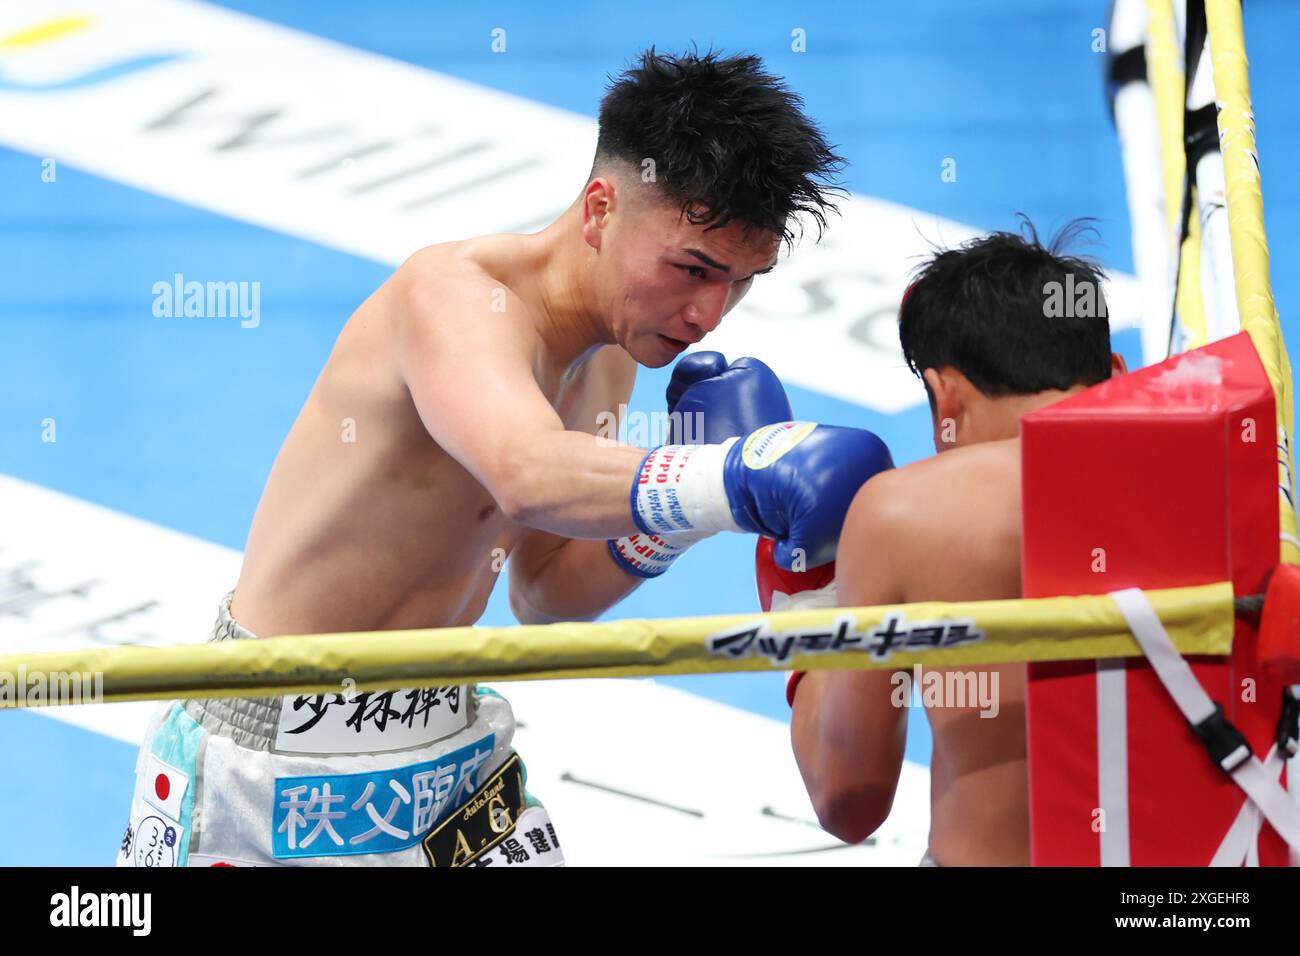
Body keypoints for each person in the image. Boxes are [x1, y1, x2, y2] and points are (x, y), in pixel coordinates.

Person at [117, 48, 890, 868]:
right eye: (692, 268)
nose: (709, 313)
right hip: (275, 753)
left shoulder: (613, 352)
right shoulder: (451, 293)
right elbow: (526, 473)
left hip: (446, 744)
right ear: (600, 208)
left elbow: (545, 593)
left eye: (742, 281)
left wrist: (677, 525)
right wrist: (729, 479)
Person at [782, 220, 1128, 866]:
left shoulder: (906, 514)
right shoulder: (1223, 468)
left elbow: (847, 797)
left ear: (945, 396)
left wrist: (802, 595)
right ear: (1115, 370)